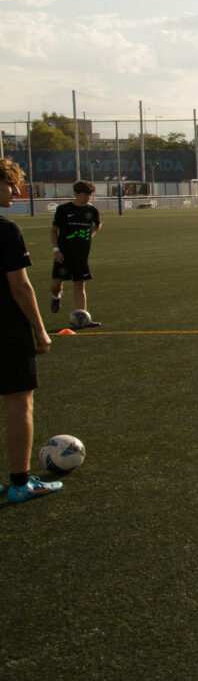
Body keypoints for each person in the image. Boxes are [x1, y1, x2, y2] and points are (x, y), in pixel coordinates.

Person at [1, 159, 58, 504]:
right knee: (19, 403)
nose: (15, 191)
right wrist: (40, 330)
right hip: (6, 330)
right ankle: (20, 483)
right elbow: (20, 288)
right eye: (10, 184)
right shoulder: (6, 231)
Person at [50, 179, 103, 324]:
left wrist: (91, 234)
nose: (89, 197)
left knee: (79, 285)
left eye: (91, 195)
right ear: (76, 193)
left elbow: (98, 224)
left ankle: (84, 317)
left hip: (81, 256)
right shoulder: (63, 210)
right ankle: (56, 297)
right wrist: (56, 250)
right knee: (54, 286)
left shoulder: (92, 211)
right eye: (86, 194)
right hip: (63, 255)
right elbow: (54, 231)